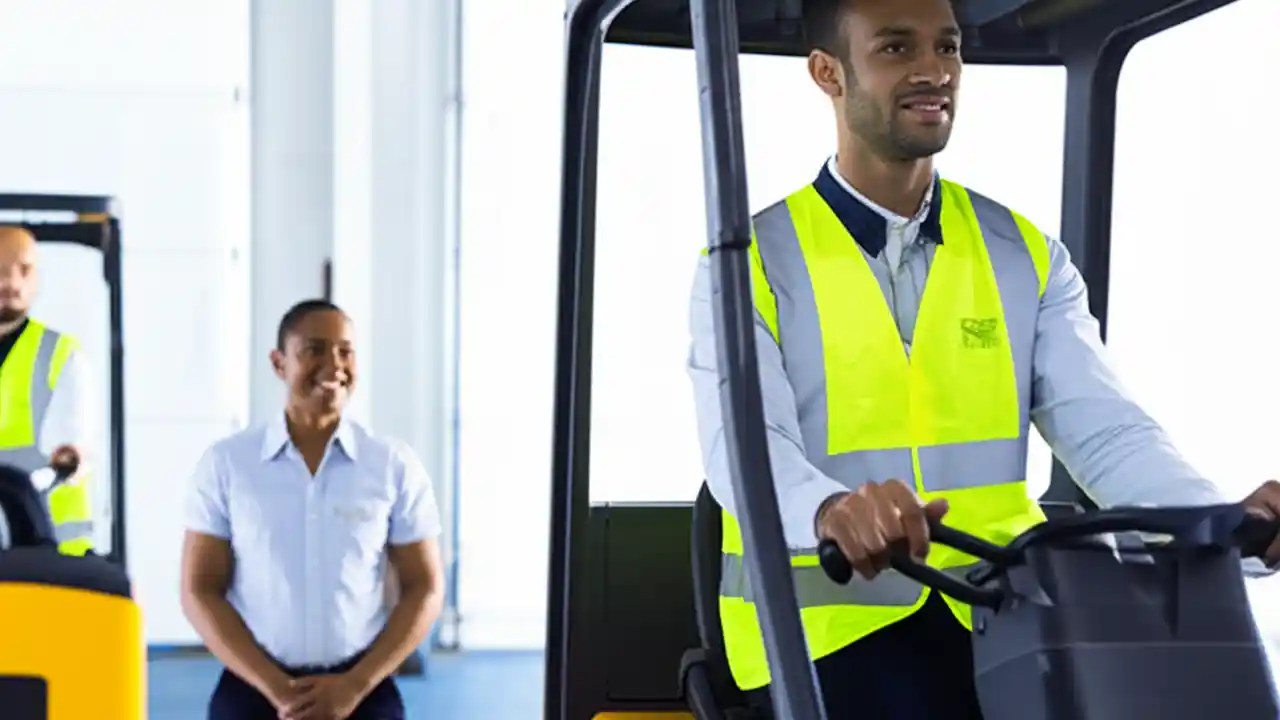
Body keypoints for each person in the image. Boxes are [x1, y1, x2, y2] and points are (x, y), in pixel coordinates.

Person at [685, 0, 1280, 717]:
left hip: (1004, 613)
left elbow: (1108, 432)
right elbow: (744, 448)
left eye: (947, 47)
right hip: (827, 629)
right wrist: (831, 509)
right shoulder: (751, 262)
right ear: (827, 73)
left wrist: (1222, 524)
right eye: (897, 49)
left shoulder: (1024, 253)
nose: (934, 71)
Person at [180, 299, 445, 720]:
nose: (334, 365)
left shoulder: (392, 464)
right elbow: (199, 589)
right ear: (278, 363)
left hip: (362, 687)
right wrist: (277, 689)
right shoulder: (228, 464)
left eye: (345, 351)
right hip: (255, 685)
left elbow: (425, 586)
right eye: (314, 350)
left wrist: (354, 685)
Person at [0, 225, 96, 555]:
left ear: (36, 278)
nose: (11, 282)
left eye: (23, 270)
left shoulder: (59, 354)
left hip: (52, 551)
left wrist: (68, 458)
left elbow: (69, 446)